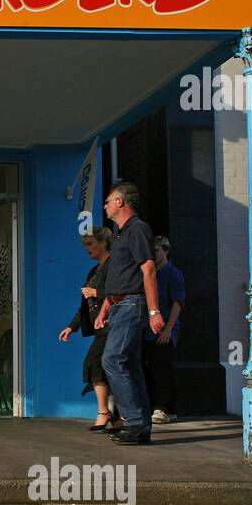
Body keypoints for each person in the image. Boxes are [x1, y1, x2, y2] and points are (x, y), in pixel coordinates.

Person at [93, 182, 165, 444]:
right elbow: (121, 277)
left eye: (109, 200)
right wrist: (105, 309)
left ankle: (132, 421)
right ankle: (141, 426)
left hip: (132, 305)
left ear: (121, 202)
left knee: (112, 360)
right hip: (119, 305)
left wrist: (154, 311)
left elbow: (148, 269)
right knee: (130, 365)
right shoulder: (121, 233)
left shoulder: (137, 229)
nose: (105, 205)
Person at [58, 227, 116, 431]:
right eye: (85, 245)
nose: (87, 249)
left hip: (112, 325)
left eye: (90, 244)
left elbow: (121, 291)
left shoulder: (112, 266)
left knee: (94, 363)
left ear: (103, 243)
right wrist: (71, 327)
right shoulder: (94, 270)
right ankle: (113, 413)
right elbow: (85, 305)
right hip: (100, 327)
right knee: (106, 367)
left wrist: (96, 291)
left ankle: (104, 412)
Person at [144, 235, 185, 424]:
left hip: (165, 329)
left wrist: (169, 329)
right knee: (152, 368)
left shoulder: (173, 274)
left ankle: (164, 407)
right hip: (149, 329)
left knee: (163, 369)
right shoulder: (150, 273)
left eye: (157, 250)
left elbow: (177, 303)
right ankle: (158, 406)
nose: (154, 254)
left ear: (166, 251)